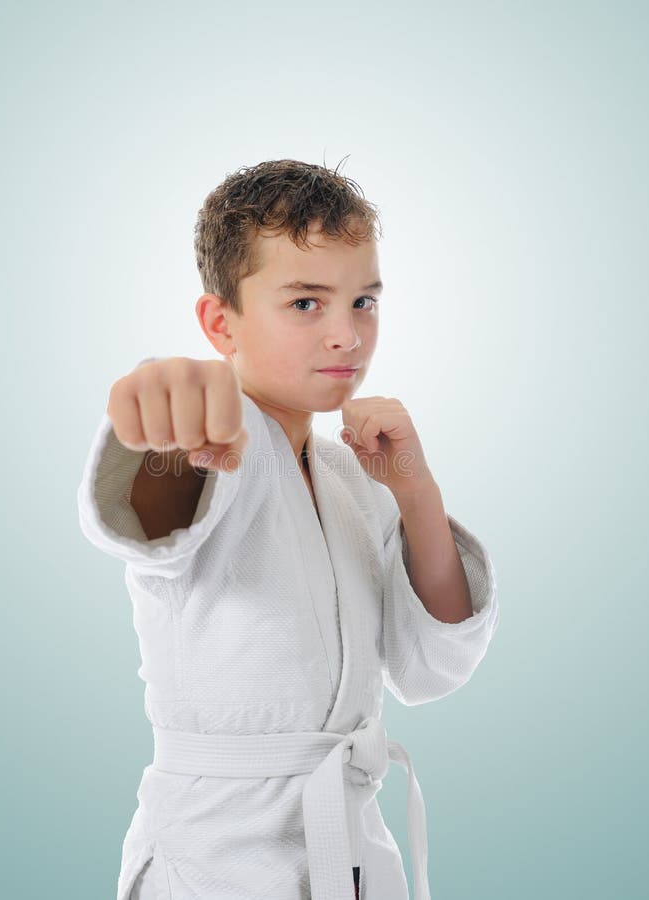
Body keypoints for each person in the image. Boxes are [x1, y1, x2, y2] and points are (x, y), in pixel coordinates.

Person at [76, 158, 500, 900]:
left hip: (354, 845)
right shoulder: (214, 448)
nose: (346, 335)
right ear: (219, 323)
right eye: (305, 303)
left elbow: (429, 667)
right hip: (216, 856)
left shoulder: (348, 478)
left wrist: (414, 492)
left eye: (363, 301)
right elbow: (153, 519)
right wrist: (167, 407)